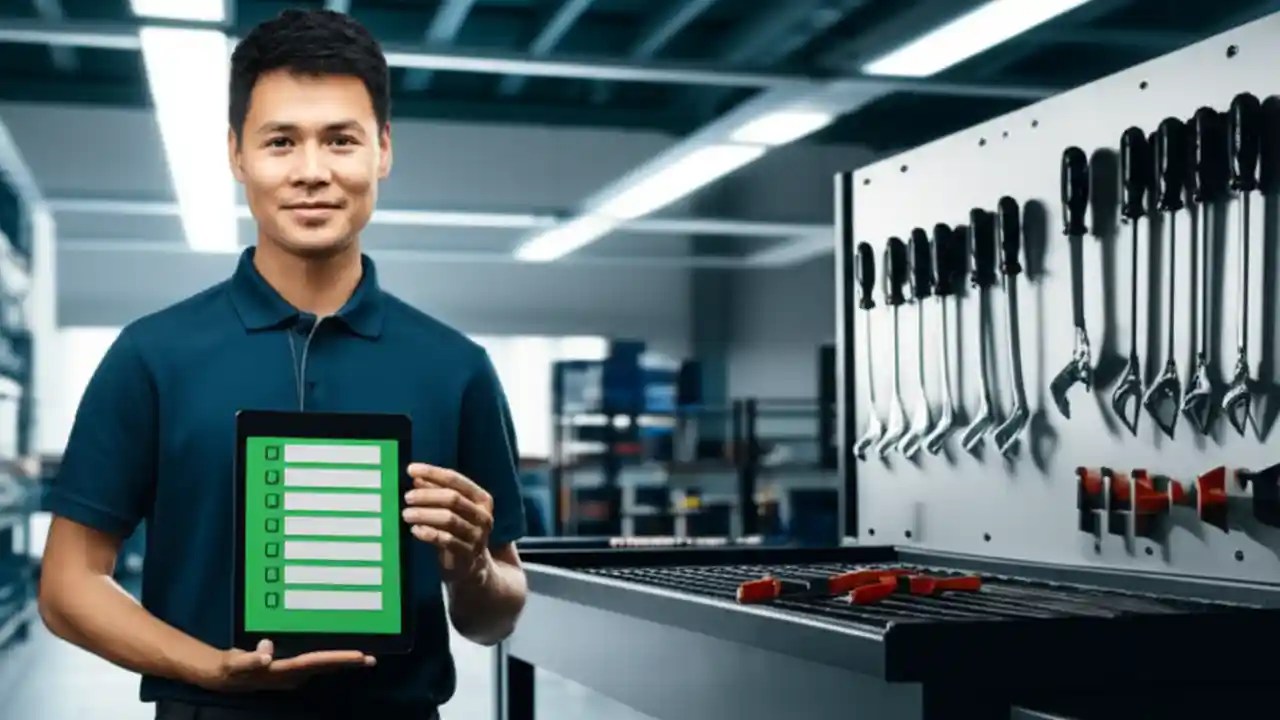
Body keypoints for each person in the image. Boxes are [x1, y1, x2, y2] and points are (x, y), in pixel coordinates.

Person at [37, 9, 528, 719]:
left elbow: (493, 616)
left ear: (383, 150)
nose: (311, 172)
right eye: (280, 142)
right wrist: (210, 668)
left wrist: (475, 565)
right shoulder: (151, 356)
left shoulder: (457, 369)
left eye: (340, 140)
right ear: (237, 153)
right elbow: (67, 583)